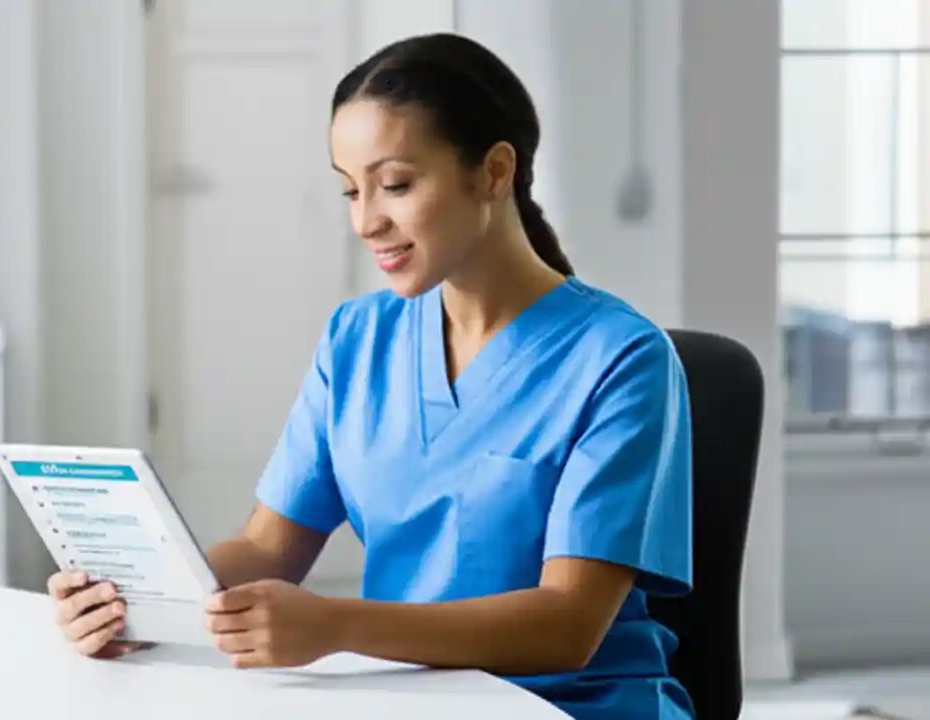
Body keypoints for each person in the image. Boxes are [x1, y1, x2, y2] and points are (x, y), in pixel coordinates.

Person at [47, 32, 694, 720]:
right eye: (350, 190)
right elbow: (270, 546)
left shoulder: (621, 359)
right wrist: (139, 598)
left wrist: (335, 626)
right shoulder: (356, 338)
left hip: (574, 706)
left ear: (494, 172)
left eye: (395, 185)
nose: (365, 220)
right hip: (407, 697)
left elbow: (566, 626)